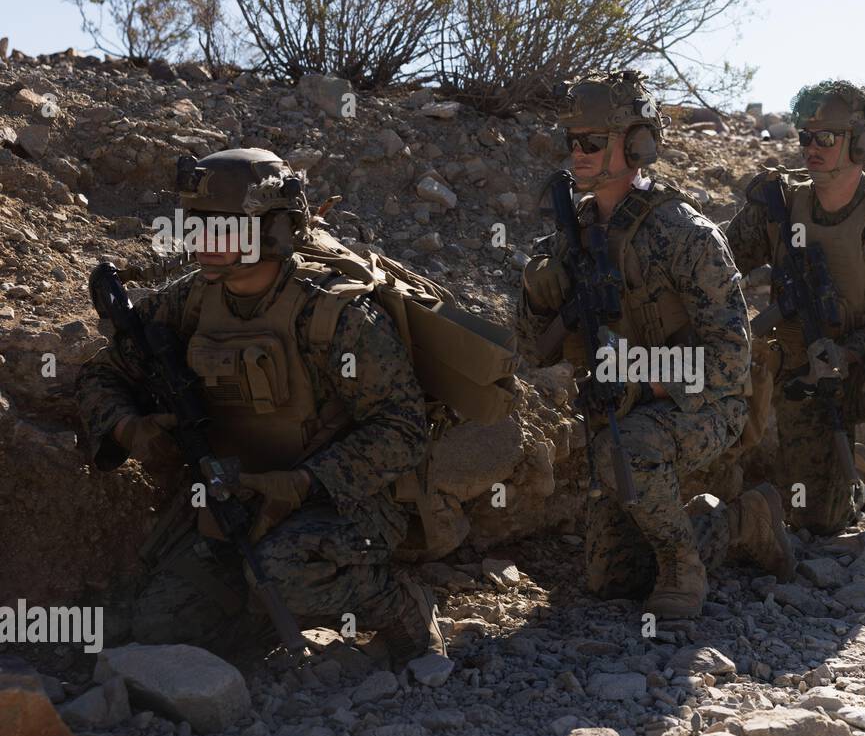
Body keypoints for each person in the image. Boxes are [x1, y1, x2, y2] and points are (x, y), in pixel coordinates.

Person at [76, 148, 444, 661]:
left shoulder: (335, 316)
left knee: (283, 576)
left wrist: (304, 483)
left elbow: (402, 432)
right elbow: (102, 373)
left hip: (343, 502)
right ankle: (259, 619)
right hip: (235, 497)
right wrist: (127, 429)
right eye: (195, 226)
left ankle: (399, 602)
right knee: (158, 624)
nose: (201, 242)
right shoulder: (191, 302)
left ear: (272, 231)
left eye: (221, 228)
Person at [517, 70, 793, 620]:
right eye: (574, 142)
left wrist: (639, 375)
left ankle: (680, 565)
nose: (580, 153)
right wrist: (538, 292)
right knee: (612, 580)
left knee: (634, 449)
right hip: (622, 415)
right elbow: (533, 352)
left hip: (705, 405)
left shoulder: (685, 234)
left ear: (637, 144)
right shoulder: (568, 237)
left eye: (594, 141)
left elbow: (731, 362)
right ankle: (743, 523)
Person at [725, 80, 865, 537]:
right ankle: (839, 492)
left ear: (860, 143)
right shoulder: (779, 207)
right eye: (804, 136)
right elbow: (715, 265)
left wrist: (849, 351)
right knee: (814, 521)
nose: (811, 148)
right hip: (804, 376)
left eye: (825, 138)